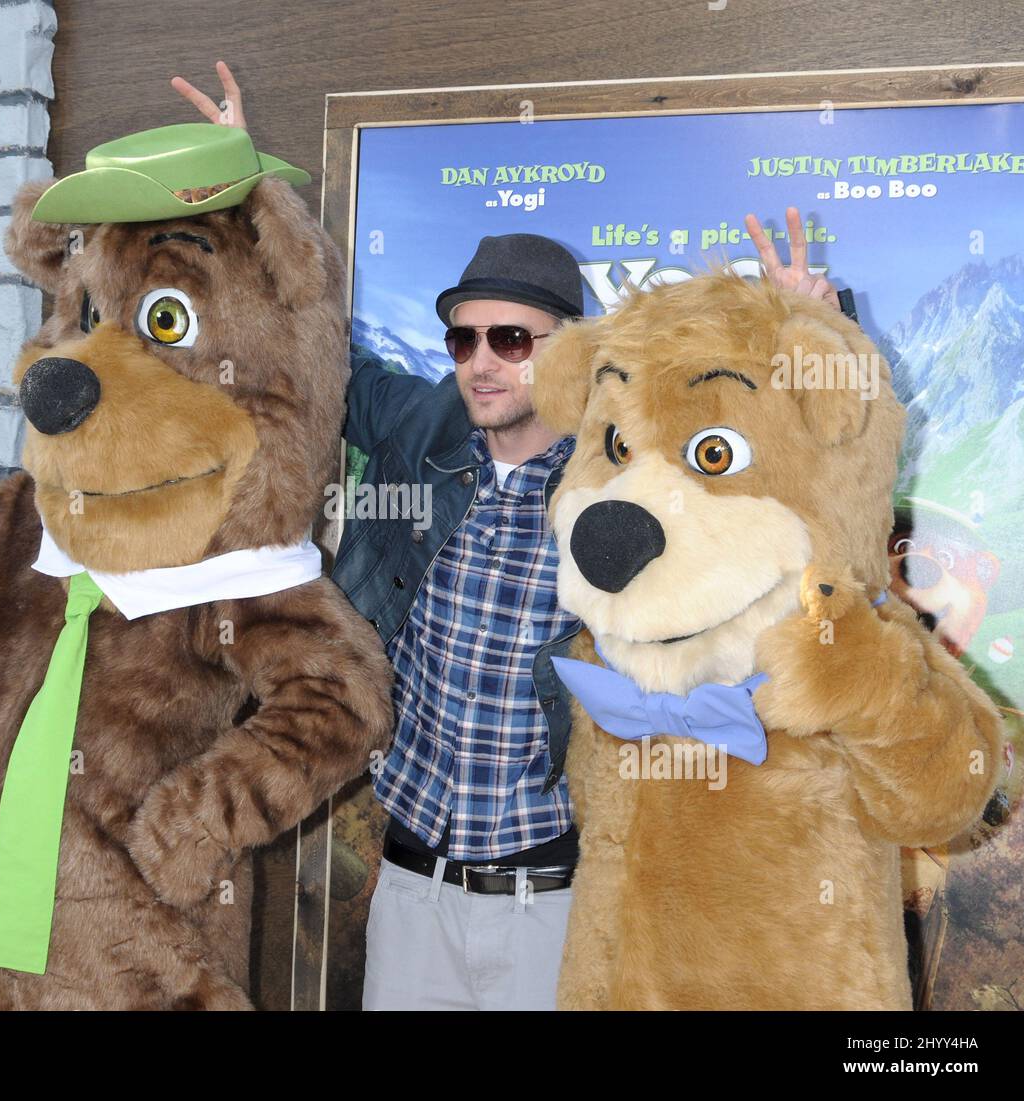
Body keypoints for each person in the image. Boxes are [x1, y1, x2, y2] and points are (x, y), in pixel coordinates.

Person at [172, 62, 846, 1010]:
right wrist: (248, 196)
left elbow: (764, 473)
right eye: (464, 338)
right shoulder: (421, 426)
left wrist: (803, 333)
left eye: (512, 340)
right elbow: (313, 343)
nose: (481, 363)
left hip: (552, 909)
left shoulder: (619, 489)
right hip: (410, 893)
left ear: (567, 351)